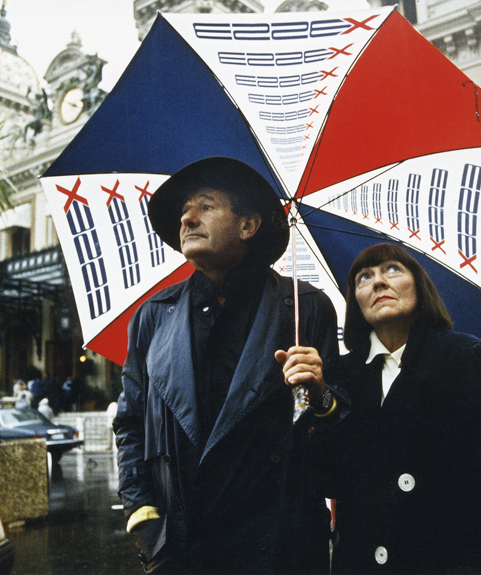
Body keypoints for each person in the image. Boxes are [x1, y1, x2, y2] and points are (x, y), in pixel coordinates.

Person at [113, 157, 340, 574]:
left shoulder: (306, 310)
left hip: (278, 548)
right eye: (184, 209)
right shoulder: (153, 317)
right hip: (183, 548)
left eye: (205, 205)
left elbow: (336, 442)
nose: (187, 217)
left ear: (248, 225)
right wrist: (142, 514)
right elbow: (130, 422)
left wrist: (322, 396)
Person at [281, 243, 481, 575]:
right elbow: (330, 481)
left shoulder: (464, 357)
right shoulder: (340, 374)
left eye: (392, 269)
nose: (378, 282)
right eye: (363, 277)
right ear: (355, 300)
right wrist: (321, 401)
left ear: (419, 285)